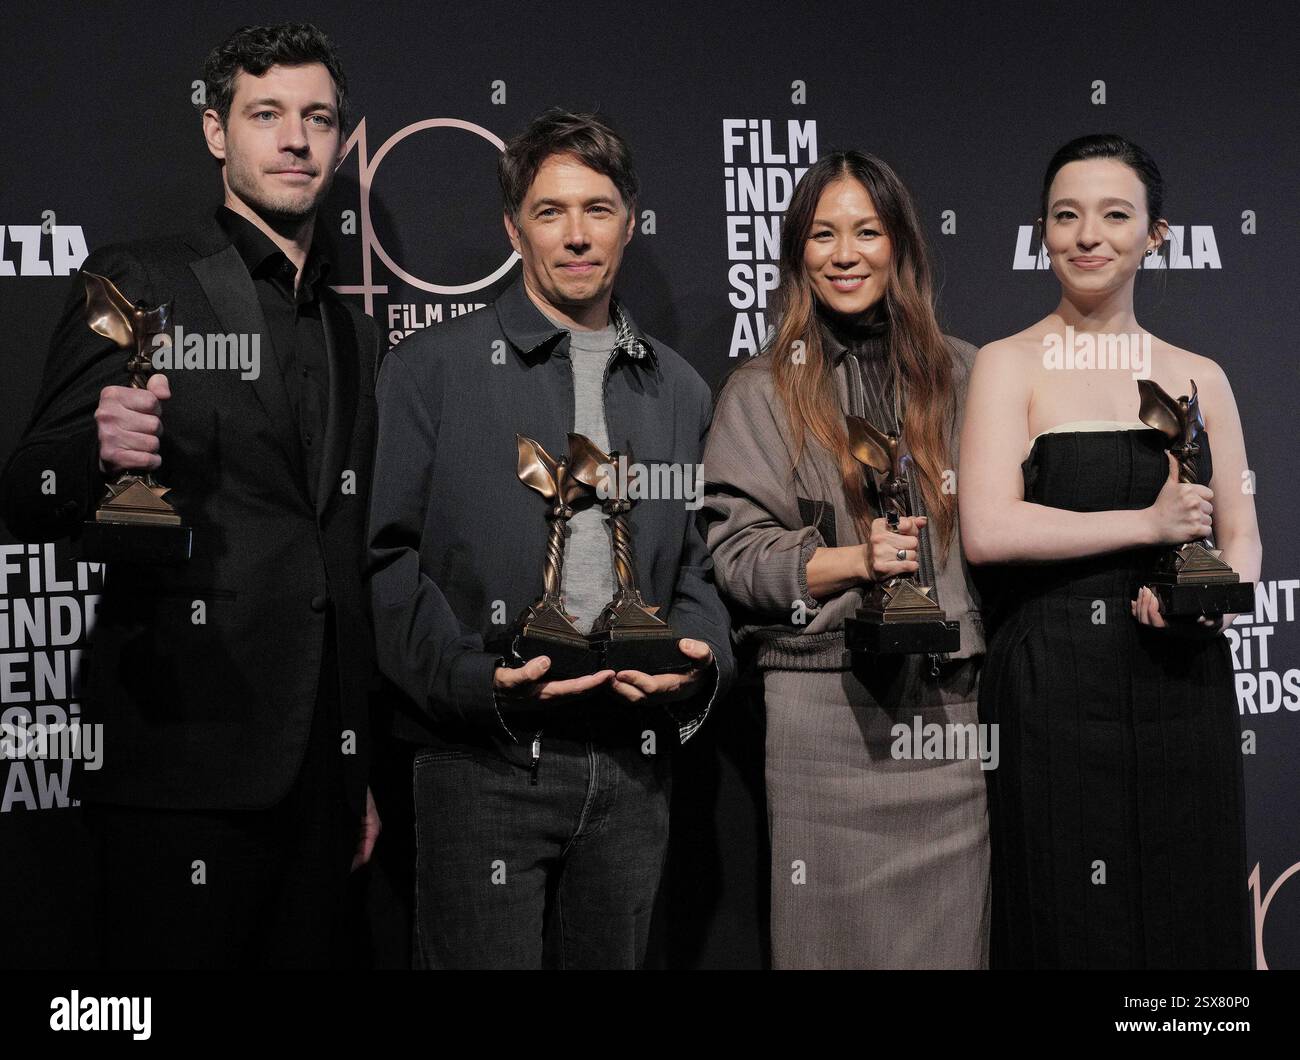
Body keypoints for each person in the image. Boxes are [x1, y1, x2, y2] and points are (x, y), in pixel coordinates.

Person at [0, 23, 383, 968]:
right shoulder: (141, 280)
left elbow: (335, 552)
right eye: (266, 115)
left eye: (318, 118)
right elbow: (28, 487)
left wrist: (355, 771)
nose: (295, 139)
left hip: (319, 786)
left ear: (341, 141)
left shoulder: (349, 330)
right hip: (179, 766)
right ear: (217, 133)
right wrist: (94, 453)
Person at [367, 107, 735, 970]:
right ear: (513, 228)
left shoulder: (677, 389)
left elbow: (700, 565)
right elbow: (386, 560)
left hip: (635, 765)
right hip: (482, 760)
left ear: (630, 222)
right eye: (550, 211)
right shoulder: (432, 369)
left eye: (597, 210)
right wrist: (475, 681)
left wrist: (698, 657)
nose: (576, 236)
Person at [959, 133, 1259, 968]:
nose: (1088, 235)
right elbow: (988, 531)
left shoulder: (1203, 374)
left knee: (1186, 916)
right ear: (1042, 233)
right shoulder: (1006, 366)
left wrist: (1204, 603)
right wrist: (1147, 526)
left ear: (1156, 235)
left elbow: (1241, 540)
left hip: (1181, 681)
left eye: (1115, 215)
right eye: (1066, 216)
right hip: (1050, 688)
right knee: (1064, 921)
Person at [701, 151, 989, 968]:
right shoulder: (759, 392)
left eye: (867, 231)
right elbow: (738, 557)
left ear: (899, 245)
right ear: (798, 255)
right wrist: (854, 560)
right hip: (823, 715)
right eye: (823, 234)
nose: (845, 252)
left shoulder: (967, 374)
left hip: (952, 718)